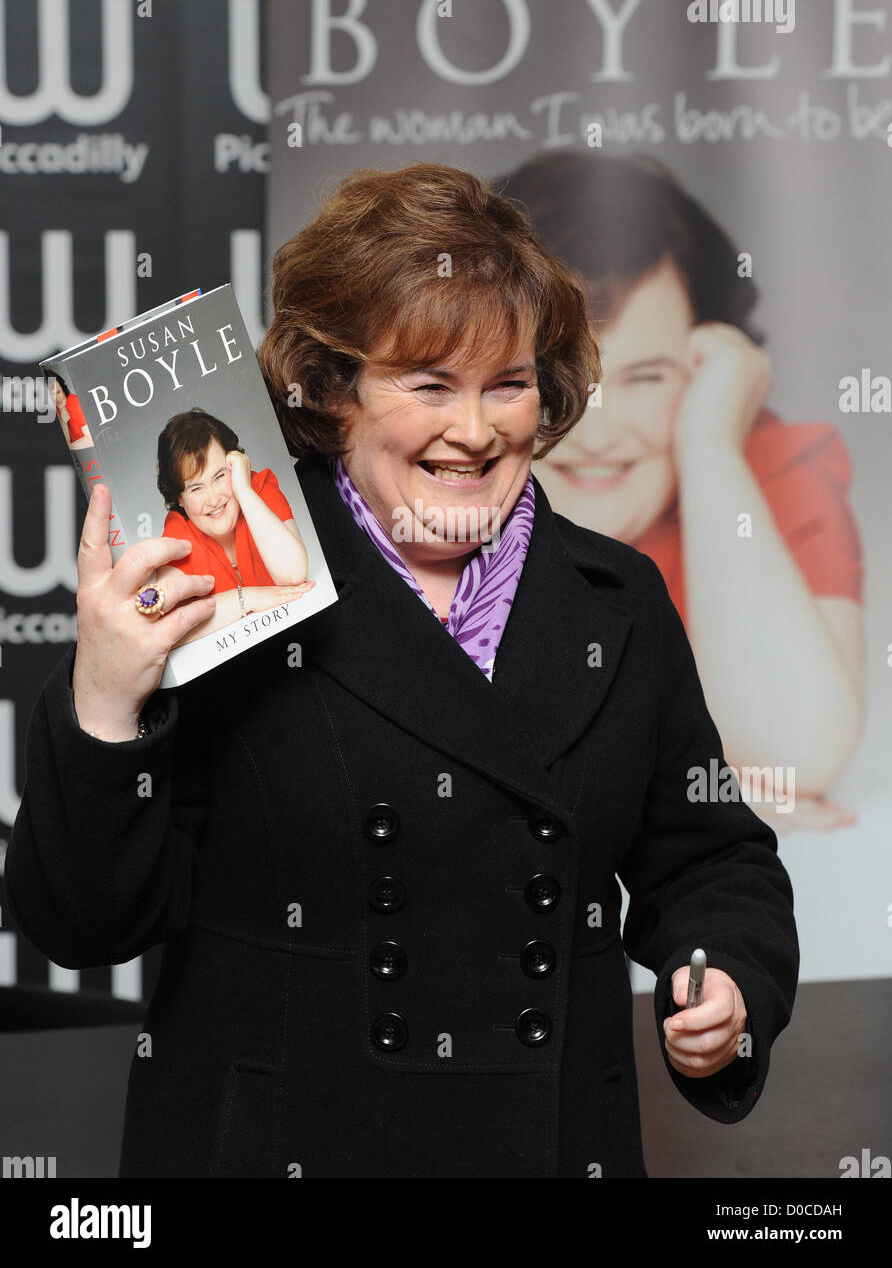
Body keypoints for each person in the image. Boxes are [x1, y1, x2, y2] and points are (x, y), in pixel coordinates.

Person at [4, 162, 799, 1179]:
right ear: (333, 392)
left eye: (507, 383)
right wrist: (107, 696)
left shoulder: (619, 601)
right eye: (429, 385)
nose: (474, 430)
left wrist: (724, 976)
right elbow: (82, 922)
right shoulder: (218, 599)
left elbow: (710, 859)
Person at [499, 151, 865, 833]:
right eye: (558, 375)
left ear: (708, 369)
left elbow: (801, 751)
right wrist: (677, 797)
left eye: (648, 377)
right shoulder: (433, 477)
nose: (598, 431)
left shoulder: (769, 466)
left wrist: (709, 445)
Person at [152, 408, 315, 647]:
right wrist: (247, 599)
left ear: (235, 465)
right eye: (196, 488)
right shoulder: (179, 532)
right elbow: (168, 626)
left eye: (219, 476)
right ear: (179, 499)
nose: (213, 498)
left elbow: (293, 574)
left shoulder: (258, 489)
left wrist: (243, 490)